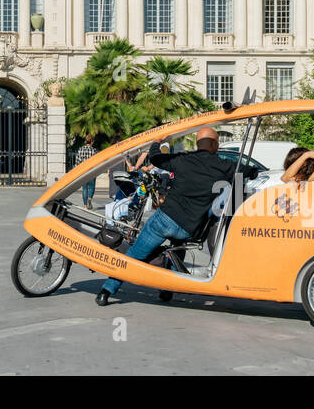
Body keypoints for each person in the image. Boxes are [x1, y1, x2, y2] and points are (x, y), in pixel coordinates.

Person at [96, 127, 235, 306]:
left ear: (198, 144)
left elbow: (156, 158)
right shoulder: (224, 166)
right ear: (215, 145)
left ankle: (106, 291)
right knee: (178, 249)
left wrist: (156, 141)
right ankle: (166, 290)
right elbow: (250, 171)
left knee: (134, 255)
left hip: (165, 219)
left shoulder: (183, 159)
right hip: (189, 228)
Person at [74, 142, 97, 209]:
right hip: (91, 171)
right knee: (92, 186)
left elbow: (77, 161)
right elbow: (96, 161)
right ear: (92, 142)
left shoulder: (81, 149)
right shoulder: (94, 150)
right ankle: (89, 198)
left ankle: (85, 206)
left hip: (83, 171)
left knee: (84, 188)